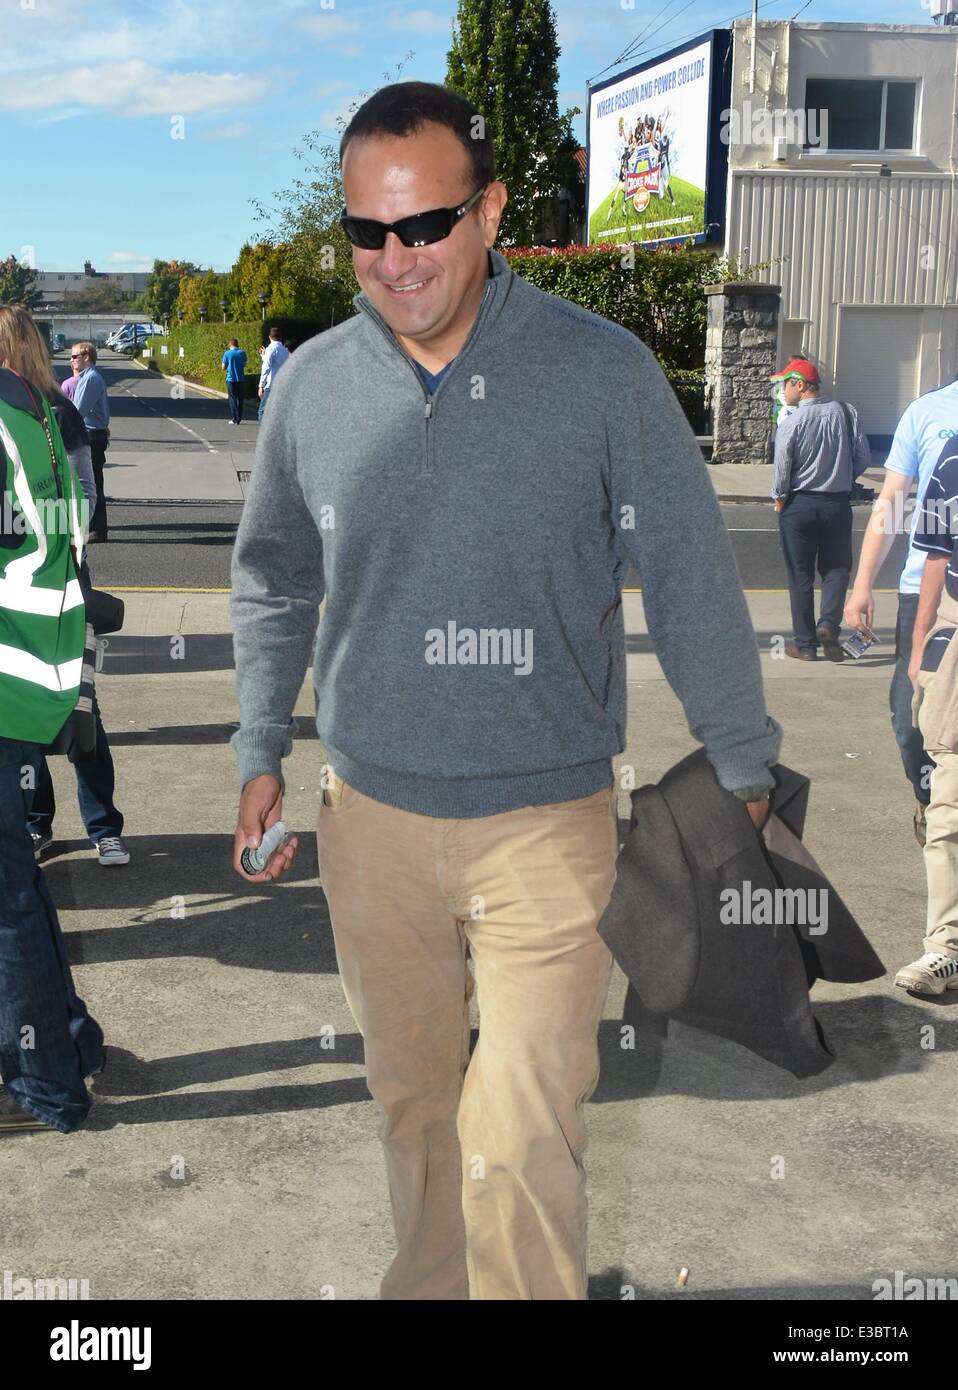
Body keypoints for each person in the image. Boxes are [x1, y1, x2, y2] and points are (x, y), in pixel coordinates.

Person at [229, 80, 781, 1302]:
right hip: (369, 819)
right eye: (367, 233)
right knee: (416, 1111)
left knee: (523, 1132)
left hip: (551, 826)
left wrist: (741, 763)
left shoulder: (602, 374)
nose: (396, 259)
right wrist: (258, 743)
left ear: (489, 214)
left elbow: (689, 577)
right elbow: (271, 575)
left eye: (424, 224)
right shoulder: (313, 387)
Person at [0, 362, 104, 1133]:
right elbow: (71, 525)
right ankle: (68, 1047)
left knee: (8, 902)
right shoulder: (24, 396)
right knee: (17, 890)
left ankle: (46, 1085)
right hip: (29, 672)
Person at [0, 308, 129, 868]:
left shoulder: (48, 412)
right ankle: (52, 824)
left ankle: (88, 825)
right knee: (47, 712)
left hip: (46, 587)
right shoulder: (39, 410)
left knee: (70, 710)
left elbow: (82, 499)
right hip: (48, 586)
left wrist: (39, 536)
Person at [845, 371, 958, 844]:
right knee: (909, 715)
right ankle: (929, 795)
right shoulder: (928, 411)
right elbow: (891, 501)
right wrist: (862, 584)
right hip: (927, 590)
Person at [898, 431, 958, 994]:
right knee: (948, 811)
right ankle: (946, 948)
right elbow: (937, 556)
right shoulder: (954, 454)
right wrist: (922, 651)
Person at [770, 356, 870, 661]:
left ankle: (805, 644)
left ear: (800, 386)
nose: (782, 391)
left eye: (785, 384)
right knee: (836, 568)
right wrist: (843, 477)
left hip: (800, 504)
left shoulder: (793, 420)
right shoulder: (846, 412)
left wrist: (779, 498)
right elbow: (863, 456)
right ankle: (828, 624)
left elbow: (783, 466)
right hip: (837, 504)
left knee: (800, 575)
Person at [71, 341, 110, 542]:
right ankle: (95, 527)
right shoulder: (87, 378)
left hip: (91, 436)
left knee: (92, 483)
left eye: (75, 356)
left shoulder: (90, 379)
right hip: (94, 434)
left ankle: (97, 529)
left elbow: (77, 411)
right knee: (93, 482)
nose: (72, 360)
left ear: (87, 357)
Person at [257, 327, 289, 421]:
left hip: (271, 384)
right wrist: (264, 356)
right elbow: (276, 364)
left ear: (270, 337)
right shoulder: (284, 349)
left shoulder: (270, 349)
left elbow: (266, 367)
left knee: (262, 411)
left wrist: (261, 385)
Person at [222, 338, 248, 425]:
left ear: (230, 345)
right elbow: (244, 364)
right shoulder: (242, 352)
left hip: (231, 379)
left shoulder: (227, 353)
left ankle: (235, 418)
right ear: (237, 344)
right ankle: (239, 418)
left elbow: (223, 367)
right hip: (241, 379)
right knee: (240, 399)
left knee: (232, 399)